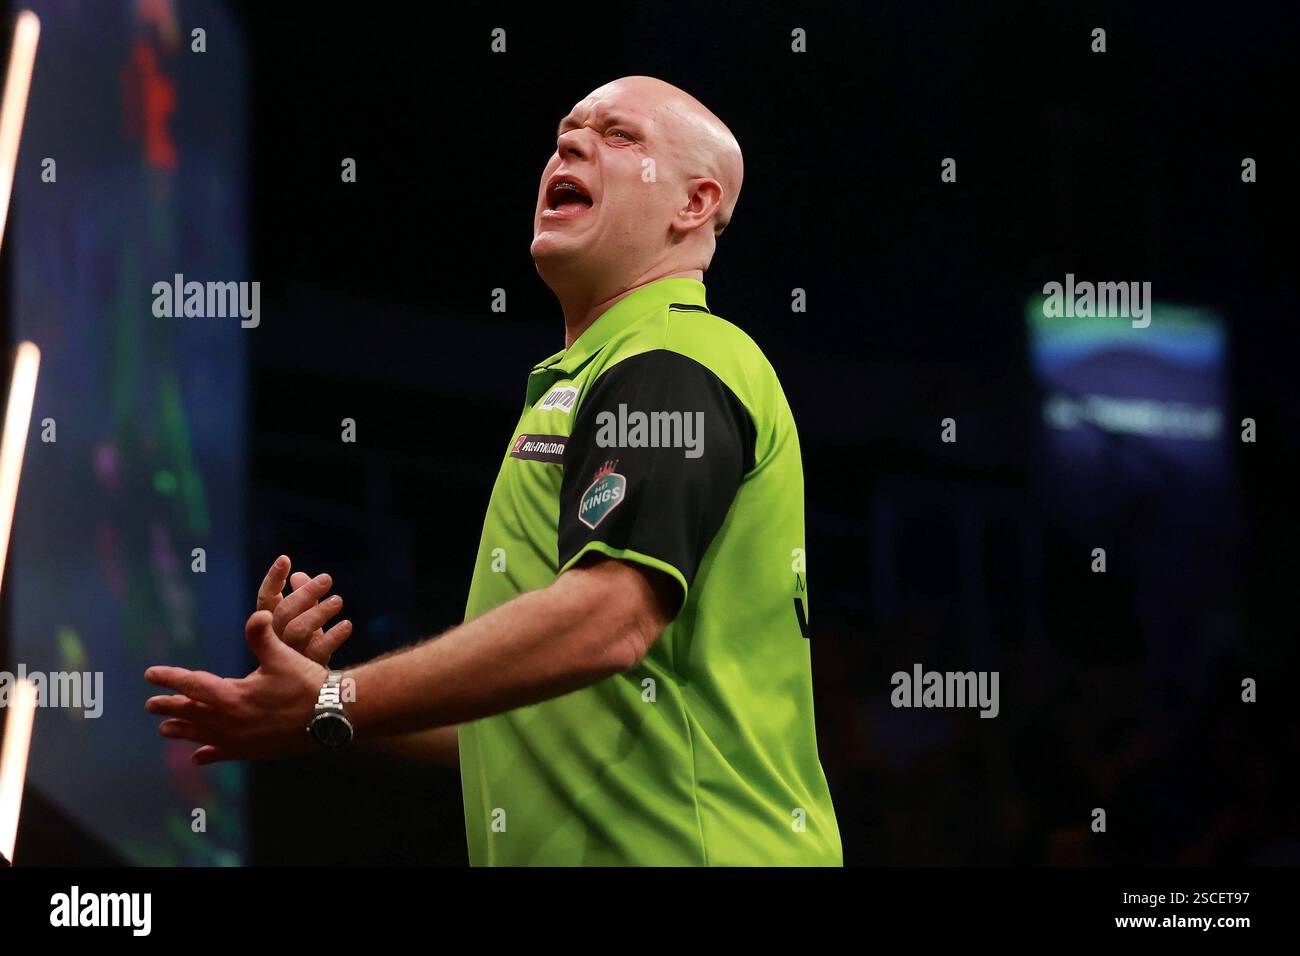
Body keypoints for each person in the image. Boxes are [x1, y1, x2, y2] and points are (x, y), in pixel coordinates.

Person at [145, 76, 841, 866]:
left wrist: (335, 700)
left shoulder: (674, 357)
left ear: (693, 204)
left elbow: (609, 619)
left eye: (619, 137)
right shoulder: (596, 374)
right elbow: (527, 723)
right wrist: (329, 701)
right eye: (565, 132)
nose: (570, 145)